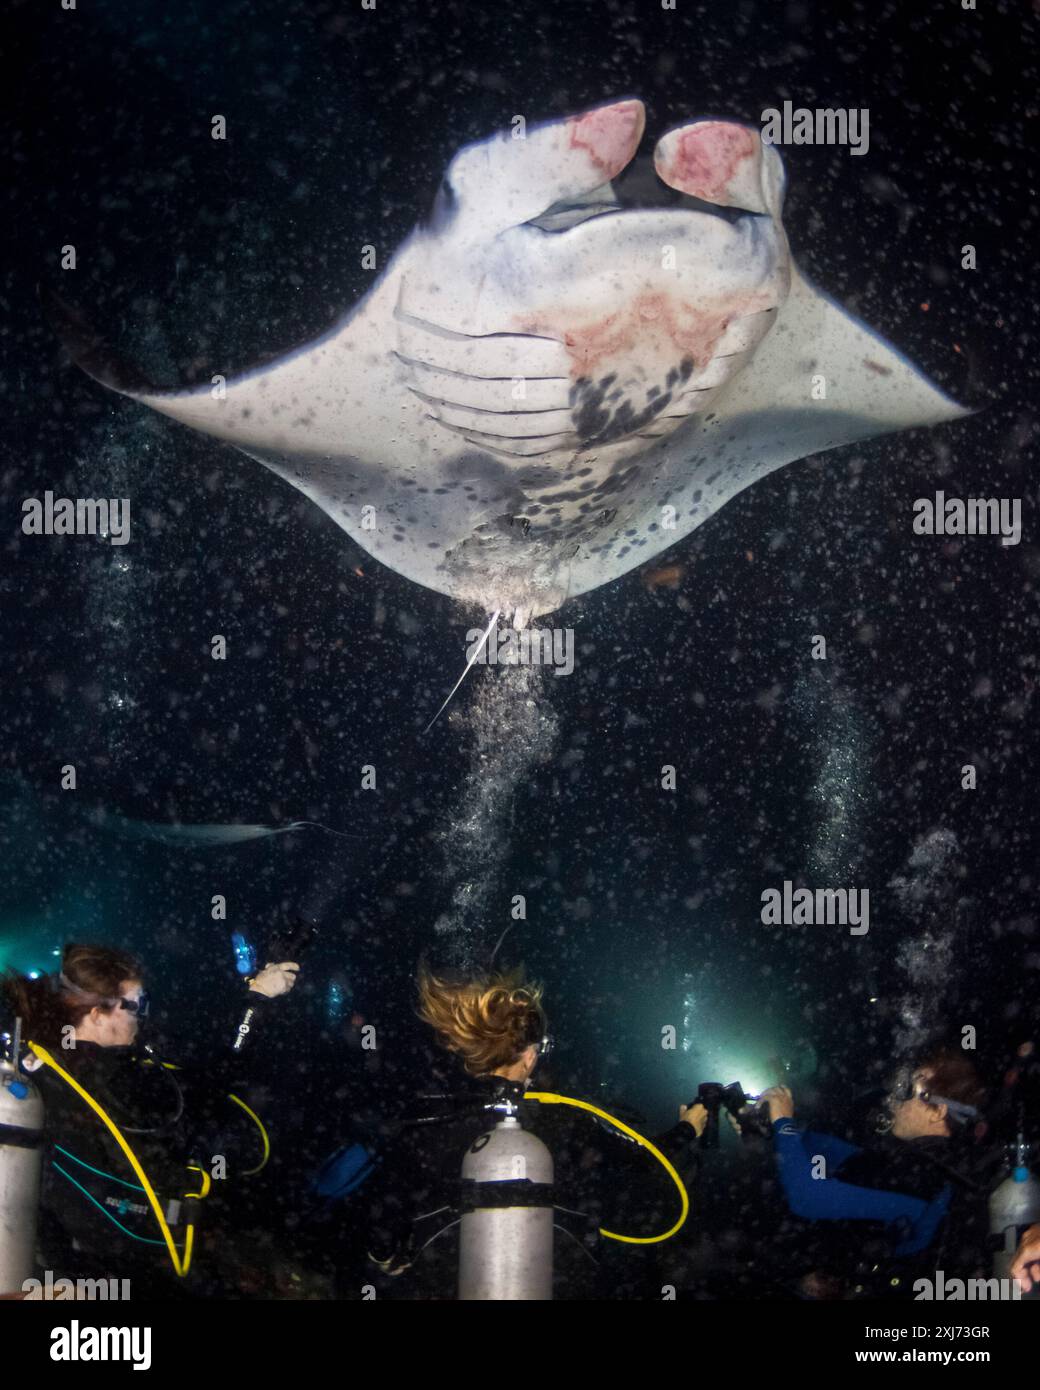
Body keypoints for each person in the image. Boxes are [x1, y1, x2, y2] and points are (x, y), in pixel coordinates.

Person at [362, 963, 707, 1299]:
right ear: (528, 1056)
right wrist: (687, 1129)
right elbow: (643, 1158)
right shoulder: (562, 1117)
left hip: (443, 1280)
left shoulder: (436, 1115)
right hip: (553, 1278)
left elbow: (389, 1197)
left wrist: (385, 1252)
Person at [1, 940, 300, 1298]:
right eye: (136, 1006)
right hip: (125, 1272)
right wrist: (256, 1003)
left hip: (73, 1271)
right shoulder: (112, 1078)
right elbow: (216, 1078)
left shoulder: (47, 1065)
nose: (141, 1019)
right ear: (98, 1013)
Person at [763, 1049, 987, 1297]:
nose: (893, 1098)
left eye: (905, 1090)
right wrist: (773, 1129)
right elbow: (841, 1155)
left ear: (938, 1111)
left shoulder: (925, 1177)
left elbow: (807, 1197)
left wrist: (783, 1124)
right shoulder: (918, 1163)